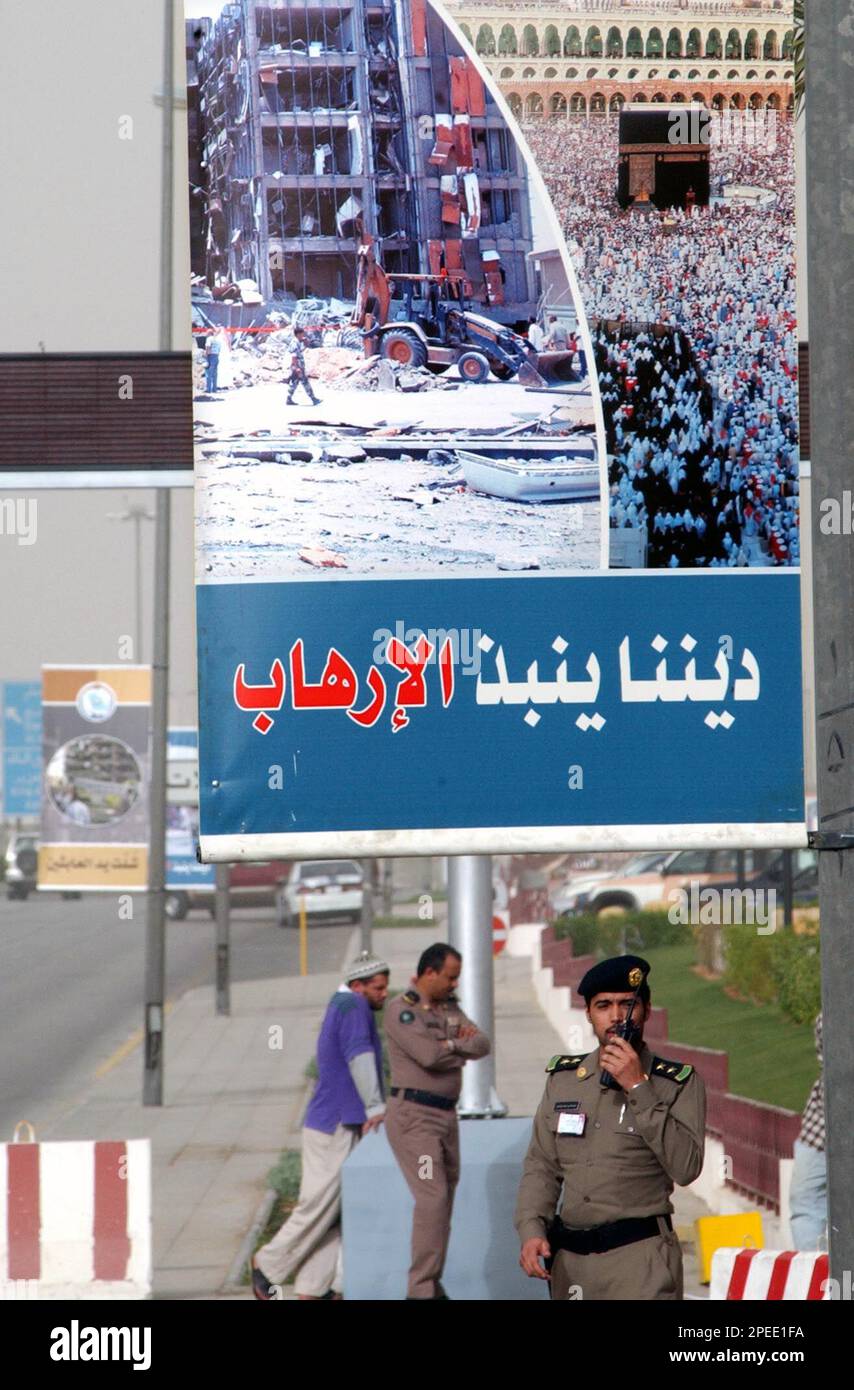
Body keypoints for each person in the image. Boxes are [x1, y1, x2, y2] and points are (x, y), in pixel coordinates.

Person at [515, 954, 706, 1301]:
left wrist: (638, 1088)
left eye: (626, 1004)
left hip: (640, 1261)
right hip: (572, 1265)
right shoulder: (564, 1080)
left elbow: (687, 1168)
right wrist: (531, 1229)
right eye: (603, 1005)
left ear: (646, 1010)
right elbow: (541, 1166)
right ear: (588, 1013)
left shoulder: (676, 1082)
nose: (616, 1016)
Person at [250, 949, 389, 1301]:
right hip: (336, 1124)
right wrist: (375, 1105)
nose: (384, 994)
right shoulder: (354, 1007)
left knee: (335, 1209)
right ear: (358, 986)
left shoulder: (343, 1004)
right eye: (378, 988)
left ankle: (313, 1288)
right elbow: (360, 1056)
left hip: (336, 1121)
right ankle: (267, 1265)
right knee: (319, 1204)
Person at [383, 942, 491, 1300]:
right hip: (415, 1117)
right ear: (429, 973)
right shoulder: (403, 1011)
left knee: (444, 1201)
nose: (454, 984)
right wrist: (453, 1045)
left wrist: (449, 1046)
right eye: (450, 977)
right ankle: (420, 1290)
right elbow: (428, 1055)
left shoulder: (449, 1008)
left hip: (446, 1115)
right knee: (433, 1197)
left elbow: (482, 1044)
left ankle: (432, 1283)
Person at [789, 1011, 827, 1250]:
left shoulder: (836, 1011)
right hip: (821, 1129)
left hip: (821, 1134)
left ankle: (816, 1276)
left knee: (807, 1205)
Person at [285, 327, 319, 406]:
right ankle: (313, 399)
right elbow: (294, 356)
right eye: (302, 334)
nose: (303, 335)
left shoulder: (298, 342)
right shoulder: (294, 343)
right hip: (297, 365)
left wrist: (305, 342)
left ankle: (289, 398)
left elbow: (302, 350)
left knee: (294, 382)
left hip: (297, 365)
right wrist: (297, 368)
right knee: (305, 382)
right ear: (298, 334)